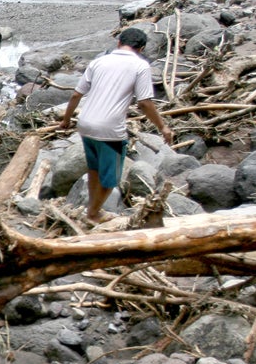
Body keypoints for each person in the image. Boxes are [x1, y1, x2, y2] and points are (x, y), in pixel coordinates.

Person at [59, 27, 174, 223]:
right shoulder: (140, 66)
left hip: (85, 124)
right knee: (111, 178)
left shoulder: (98, 62)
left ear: (119, 42)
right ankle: (93, 213)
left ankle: (93, 209)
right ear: (142, 48)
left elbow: (76, 94)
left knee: (94, 169)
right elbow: (144, 103)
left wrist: (66, 119)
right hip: (109, 129)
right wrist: (163, 127)